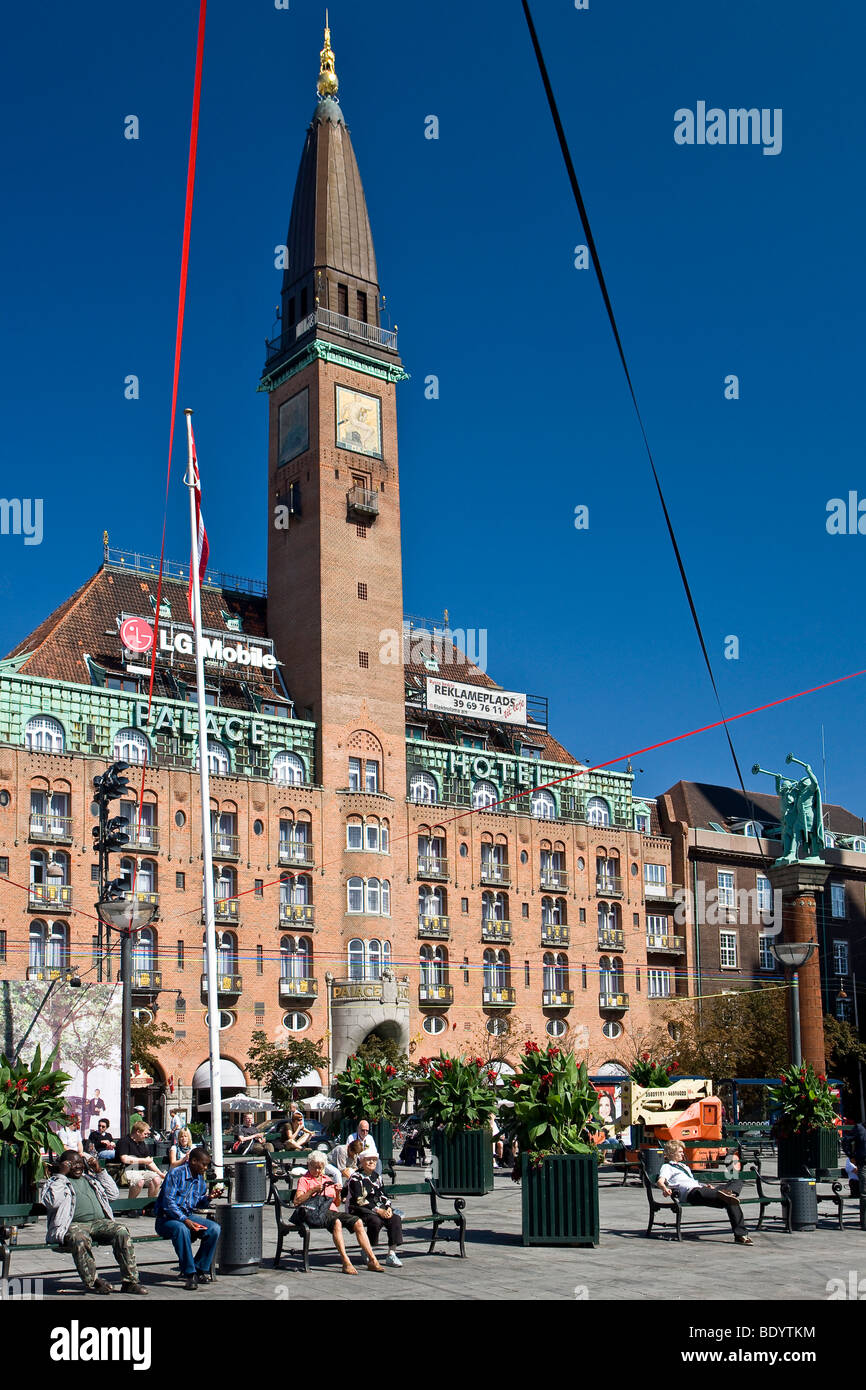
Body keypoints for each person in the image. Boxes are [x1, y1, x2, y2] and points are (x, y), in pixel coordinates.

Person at [42, 1150, 147, 1295]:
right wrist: (61, 1175)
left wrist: (99, 1171)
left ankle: (130, 1281)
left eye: (79, 1163)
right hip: (73, 1225)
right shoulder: (56, 1182)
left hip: (99, 1223)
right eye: (71, 1164)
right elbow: (51, 1202)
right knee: (79, 1238)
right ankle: (93, 1281)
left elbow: (113, 1194)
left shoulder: (90, 1179)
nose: (77, 1166)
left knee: (121, 1231)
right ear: (63, 1165)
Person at [292, 1152, 384, 1275]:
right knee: (337, 1222)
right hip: (314, 1213)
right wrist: (312, 1190)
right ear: (309, 1165)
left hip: (331, 1211)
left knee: (357, 1221)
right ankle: (346, 1261)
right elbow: (297, 1201)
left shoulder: (327, 1179)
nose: (318, 1170)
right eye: (315, 1167)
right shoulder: (304, 1180)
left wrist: (338, 1193)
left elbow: (336, 1202)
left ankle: (372, 1259)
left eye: (321, 1167)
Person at [657, 1139, 753, 1245]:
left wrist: (705, 1186)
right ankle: (727, 1194)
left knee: (735, 1186)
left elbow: (693, 1182)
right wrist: (665, 1189)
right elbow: (660, 1181)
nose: (682, 1154)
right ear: (671, 1153)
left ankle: (740, 1234)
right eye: (680, 1152)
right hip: (691, 1193)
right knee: (726, 1198)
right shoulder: (667, 1167)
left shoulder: (684, 1167)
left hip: (700, 1189)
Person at [154, 1147, 220, 1290]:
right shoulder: (175, 1174)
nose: (205, 1167)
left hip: (187, 1215)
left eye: (207, 1164)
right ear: (193, 1161)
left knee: (214, 1229)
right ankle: (189, 1273)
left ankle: (200, 1267)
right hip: (166, 1219)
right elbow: (168, 1203)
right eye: (204, 1164)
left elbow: (197, 1202)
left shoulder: (200, 1179)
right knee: (181, 1229)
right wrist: (185, 1220)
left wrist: (208, 1198)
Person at [345, 1151, 404, 1267]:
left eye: (374, 1159)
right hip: (359, 1209)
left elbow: (383, 1195)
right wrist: (379, 1211)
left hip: (376, 1208)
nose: (372, 1162)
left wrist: (388, 1208)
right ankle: (367, 1249)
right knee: (375, 1221)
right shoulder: (355, 1178)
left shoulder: (377, 1177)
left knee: (395, 1219)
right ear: (361, 1162)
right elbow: (359, 1200)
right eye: (368, 1159)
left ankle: (391, 1254)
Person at [115, 1119, 164, 1201]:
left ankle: (150, 1205)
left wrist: (160, 1173)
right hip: (127, 1170)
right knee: (139, 1181)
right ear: (138, 1132)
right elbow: (124, 1159)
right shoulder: (124, 1141)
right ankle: (130, 1205)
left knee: (157, 1179)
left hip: (142, 1170)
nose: (146, 1136)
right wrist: (144, 1161)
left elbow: (149, 1162)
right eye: (145, 1134)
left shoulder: (142, 1143)